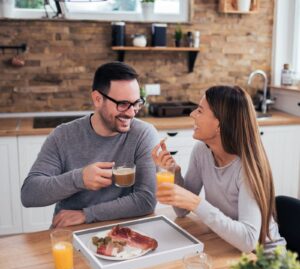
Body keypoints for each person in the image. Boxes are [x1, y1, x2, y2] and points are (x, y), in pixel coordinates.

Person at [21, 61, 158, 228]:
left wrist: (87, 215)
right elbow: (29, 194)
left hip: (124, 233)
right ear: (98, 99)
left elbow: (146, 200)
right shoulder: (63, 136)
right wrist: (79, 179)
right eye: (123, 104)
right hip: (70, 232)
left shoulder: (143, 134)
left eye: (136, 103)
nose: (131, 112)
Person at [152, 85, 286, 253]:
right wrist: (173, 172)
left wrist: (196, 202)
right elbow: (181, 210)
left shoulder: (248, 168)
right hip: (229, 246)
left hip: (264, 260)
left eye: (200, 111)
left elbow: (249, 241)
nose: (192, 114)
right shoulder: (202, 151)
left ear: (220, 125)